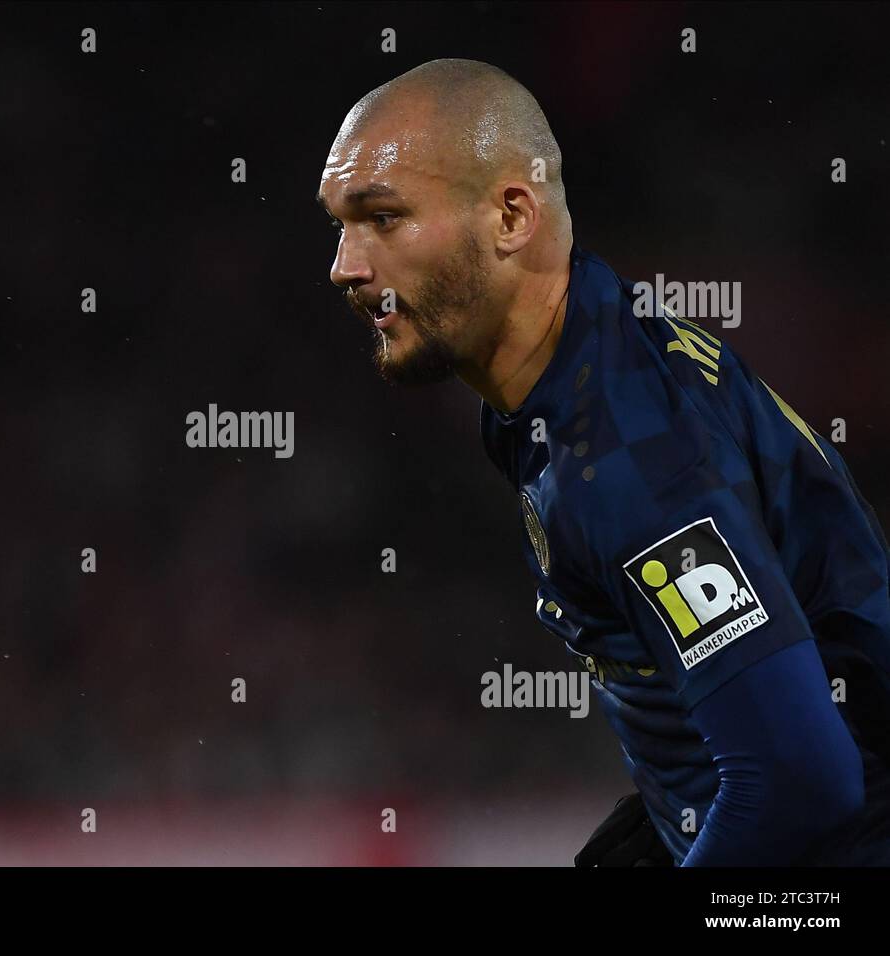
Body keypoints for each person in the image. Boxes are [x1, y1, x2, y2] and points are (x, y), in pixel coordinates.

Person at [315, 58, 890, 865]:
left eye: (382, 217)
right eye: (339, 224)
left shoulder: (628, 460)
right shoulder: (568, 354)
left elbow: (802, 779)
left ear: (513, 216)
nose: (346, 265)